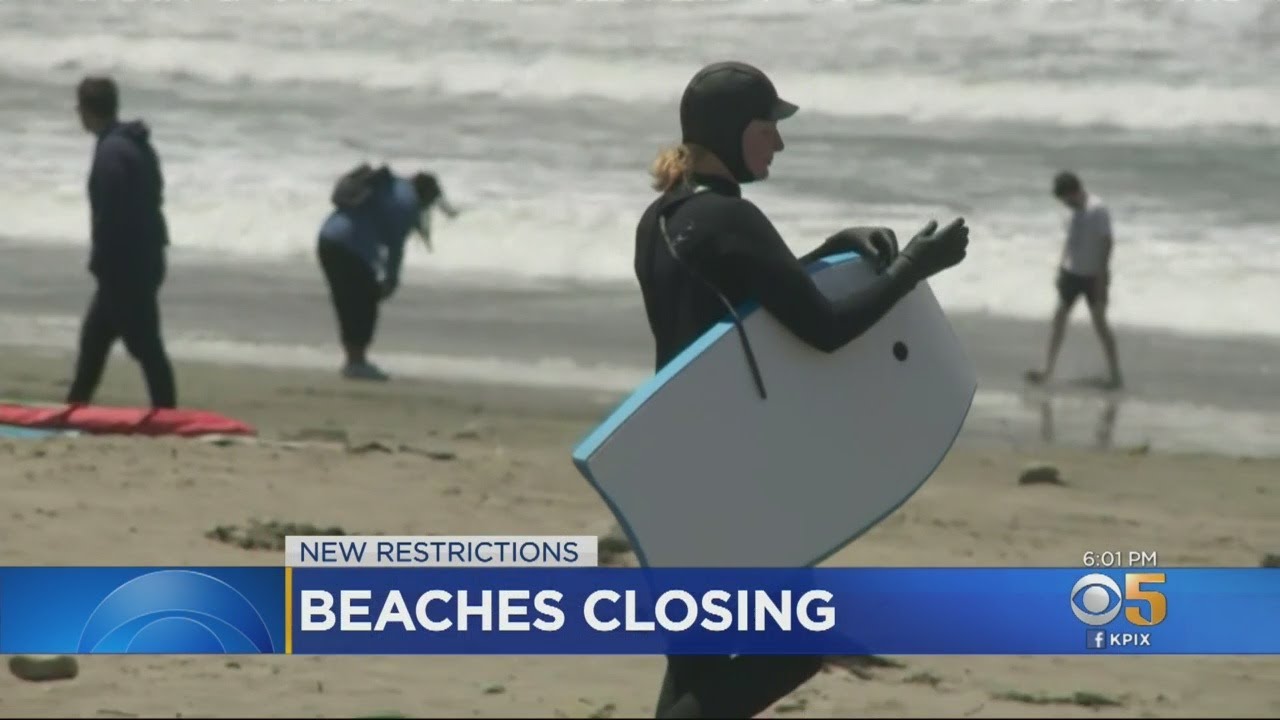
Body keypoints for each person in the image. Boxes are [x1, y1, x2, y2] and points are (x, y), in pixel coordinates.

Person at [633, 60, 971, 719]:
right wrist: (911, 269)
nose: (779, 144)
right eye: (769, 129)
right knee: (793, 644)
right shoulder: (733, 219)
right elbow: (823, 327)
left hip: (668, 465)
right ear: (736, 133)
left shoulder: (663, 217)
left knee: (698, 663)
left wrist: (832, 247)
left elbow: (742, 303)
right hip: (733, 478)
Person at [65, 75, 178, 409]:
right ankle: (75, 408)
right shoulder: (134, 144)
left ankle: (167, 413)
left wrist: (102, 261)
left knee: (145, 345)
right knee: (94, 342)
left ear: (86, 110)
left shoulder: (112, 153)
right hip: (143, 259)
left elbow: (112, 216)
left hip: (125, 267)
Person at [316, 165, 459, 380]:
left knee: (346, 304)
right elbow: (395, 246)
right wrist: (391, 280)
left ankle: (353, 360)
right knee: (364, 306)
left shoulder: (392, 187)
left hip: (327, 239)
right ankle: (357, 363)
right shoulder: (408, 202)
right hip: (352, 248)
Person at [1025, 171, 1123, 390]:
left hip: (1093, 276)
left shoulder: (1097, 209)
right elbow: (1070, 241)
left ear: (1075, 192)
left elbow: (1107, 243)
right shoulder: (1069, 212)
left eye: (1065, 198)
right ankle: (1047, 370)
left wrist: (1102, 276)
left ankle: (1115, 374)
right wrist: (1061, 267)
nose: (1064, 203)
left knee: (1100, 323)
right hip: (1071, 274)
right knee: (1058, 318)